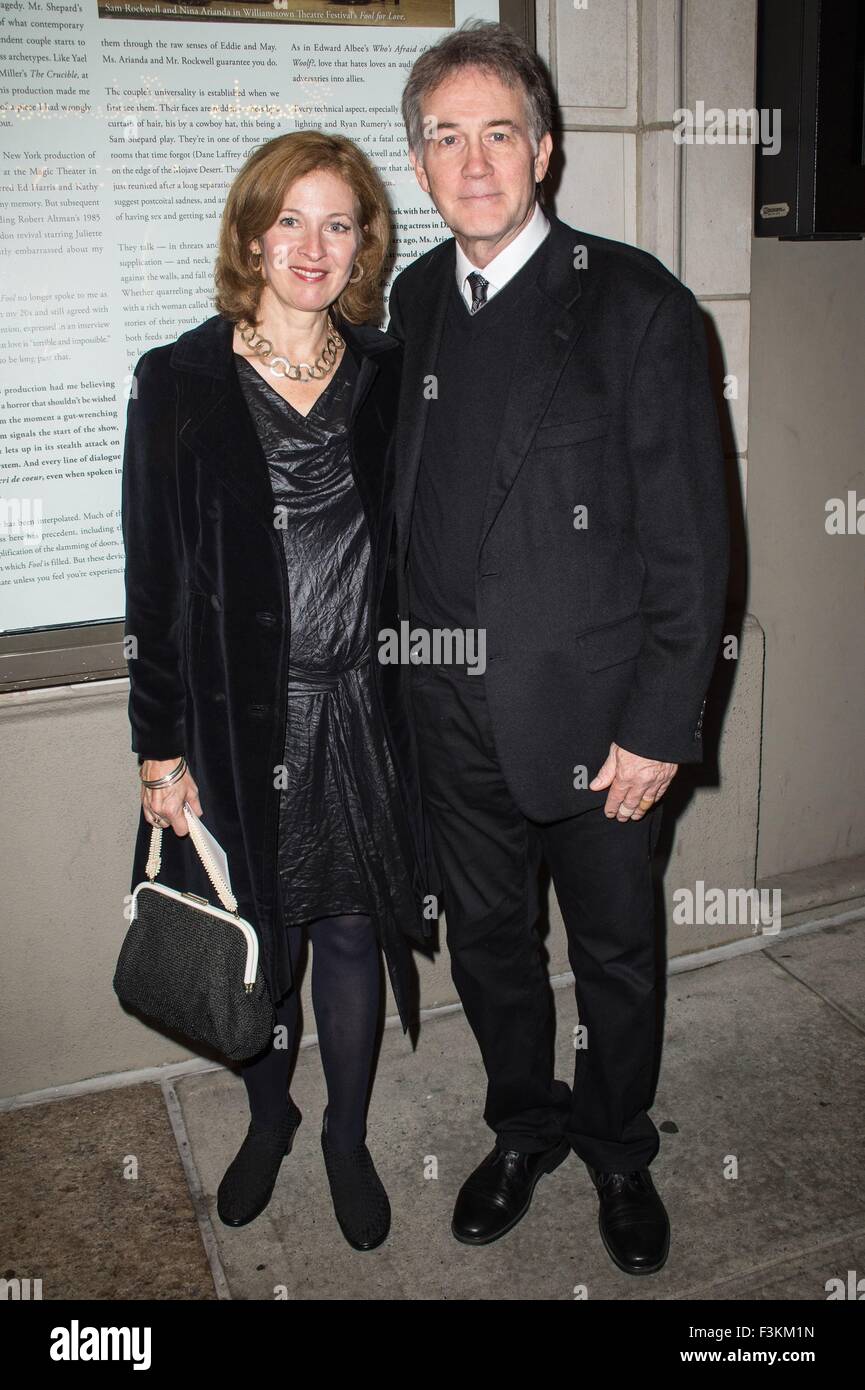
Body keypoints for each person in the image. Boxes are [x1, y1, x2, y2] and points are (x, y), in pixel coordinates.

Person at [387, 21, 730, 1273]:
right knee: (487, 945)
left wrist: (659, 722)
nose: (470, 160)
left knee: (617, 957)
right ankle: (523, 1126)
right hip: (447, 722)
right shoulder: (412, 300)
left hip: (597, 726)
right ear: (416, 162)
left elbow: (694, 549)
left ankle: (618, 1146)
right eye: (443, 136)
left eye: (496, 132)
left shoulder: (636, 305)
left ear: (544, 147)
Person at [121, 130, 431, 1251]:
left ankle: (346, 1135)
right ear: (252, 235)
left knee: (349, 938)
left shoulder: (392, 373)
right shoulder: (178, 382)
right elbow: (150, 585)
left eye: (338, 223)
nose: (313, 244)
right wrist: (160, 753)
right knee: (265, 942)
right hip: (238, 724)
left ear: (363, 246)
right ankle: (271, 1114)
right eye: (290, 220)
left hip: (362, 716)